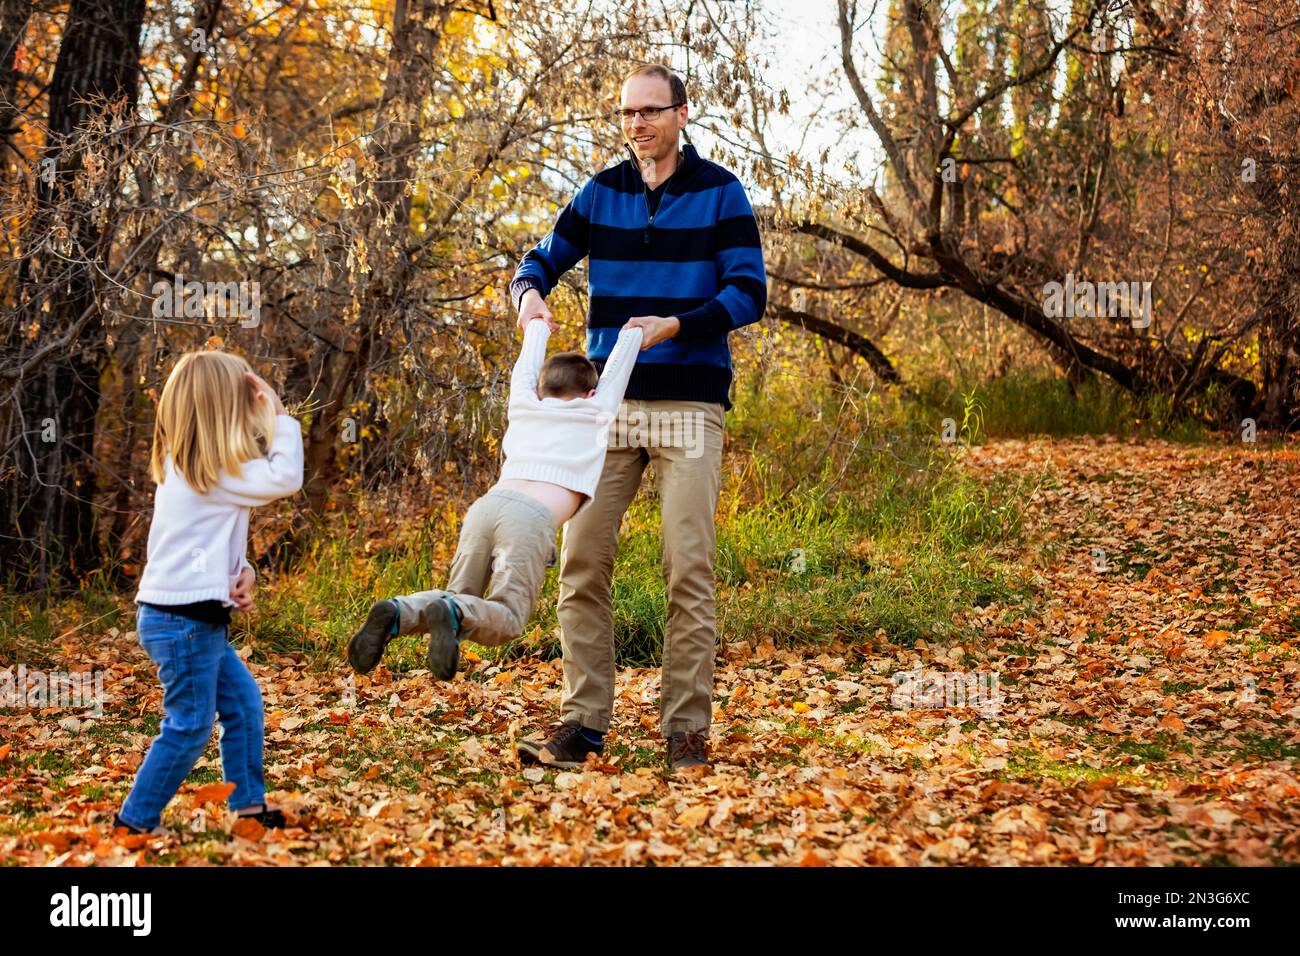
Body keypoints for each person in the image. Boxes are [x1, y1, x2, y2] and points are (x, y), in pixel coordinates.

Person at [508, 62, 767, 771]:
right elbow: (540, 259)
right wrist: (528, 293)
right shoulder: (602, 193)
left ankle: (686, 728)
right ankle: (582, 725)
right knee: (582, 561)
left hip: (689, 404)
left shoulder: (721, 193)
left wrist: (675, 326)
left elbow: (749, 293)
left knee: (688, 566)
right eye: (627, 113)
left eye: (651, 111)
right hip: (607, 408)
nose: (637, 125)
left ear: (683, 115)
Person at [346, 319, 644, 684]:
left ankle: (398, 611)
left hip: (487, 507)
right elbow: (618, 369)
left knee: (458, 597)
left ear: (541, 389)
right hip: (531, 519)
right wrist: (633, 332)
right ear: (589, 393)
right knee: (508, 618)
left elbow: (525, 367)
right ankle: (449, 612)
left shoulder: (523, 404)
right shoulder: (595, 410)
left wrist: (537, 325)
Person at [115, 351, 303, 835]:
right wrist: (281, 417)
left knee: (241, 706)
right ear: (226, 409)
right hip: (183, 624)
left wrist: (242, 572)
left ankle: (248, 808)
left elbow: (200, 542)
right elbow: (286, 477)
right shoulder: (215, 470)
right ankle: (135, 821)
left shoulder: (194, 468)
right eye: (243, 402)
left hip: (187, 617)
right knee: (190, 724)